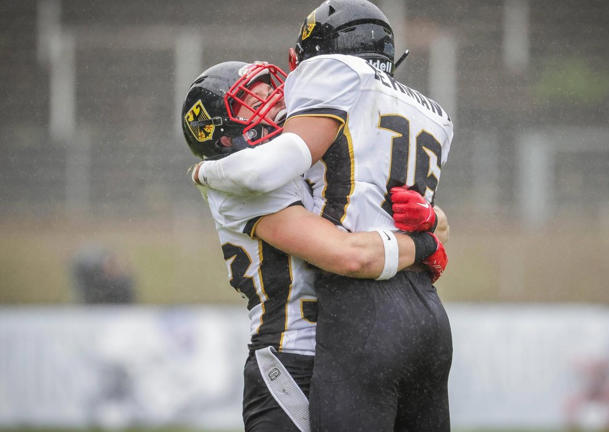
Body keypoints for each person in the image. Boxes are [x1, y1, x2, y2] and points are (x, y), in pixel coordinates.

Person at [189, 1, 455, 429]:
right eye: (251, 103)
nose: (274, 103)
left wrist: (430, 218)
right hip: (291, 351)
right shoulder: (242, 180)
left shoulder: (306, 163)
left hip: (339, 338)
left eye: (269, 91)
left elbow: (381, 208)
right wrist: (425, 243)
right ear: (221, 137)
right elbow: (352, 253)